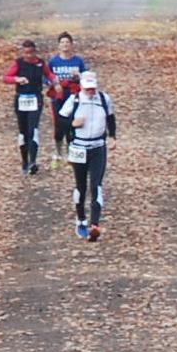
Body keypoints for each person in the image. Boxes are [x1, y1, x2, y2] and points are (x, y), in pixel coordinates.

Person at [58, 70, 115, 241]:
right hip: (79, 147)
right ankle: (81, 219)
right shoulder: (74, 100)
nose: (91, 92)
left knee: (96, 184)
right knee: (81, 186)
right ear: (81, 87)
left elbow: (111, 118)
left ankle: (95, 224)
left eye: (93, 88)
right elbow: (61, 120)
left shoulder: (104, 99)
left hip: (98, 147)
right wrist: (72, 124)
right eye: (87, 89)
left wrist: (113, 136)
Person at [2, 39, 59, 175]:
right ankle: (24, 161)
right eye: (26, 53)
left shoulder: (40, 63)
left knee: (33, 129)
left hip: (35, 98)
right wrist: (17, 79)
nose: (28, 56)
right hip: (21, 98)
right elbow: (6, 77)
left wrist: (55, 81)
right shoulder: (18, 63)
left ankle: (33, 161)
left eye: (31, 53)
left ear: (34, 52)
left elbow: (48, 74)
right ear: (23, 52)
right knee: (23, 131)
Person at [46, 31, 86, 166]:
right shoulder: (53, 61)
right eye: (62, 42)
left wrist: (79, 75)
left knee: (71, 126)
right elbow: (46, 77)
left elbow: (86, 78)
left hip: (74, 97)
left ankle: (71, 156)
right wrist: (54, 83)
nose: (65, 45)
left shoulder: (78, 60)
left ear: (72, 45)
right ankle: (57, 154)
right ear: (58, 45)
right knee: (58, 126)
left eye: (67, 42)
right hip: (58, 98)